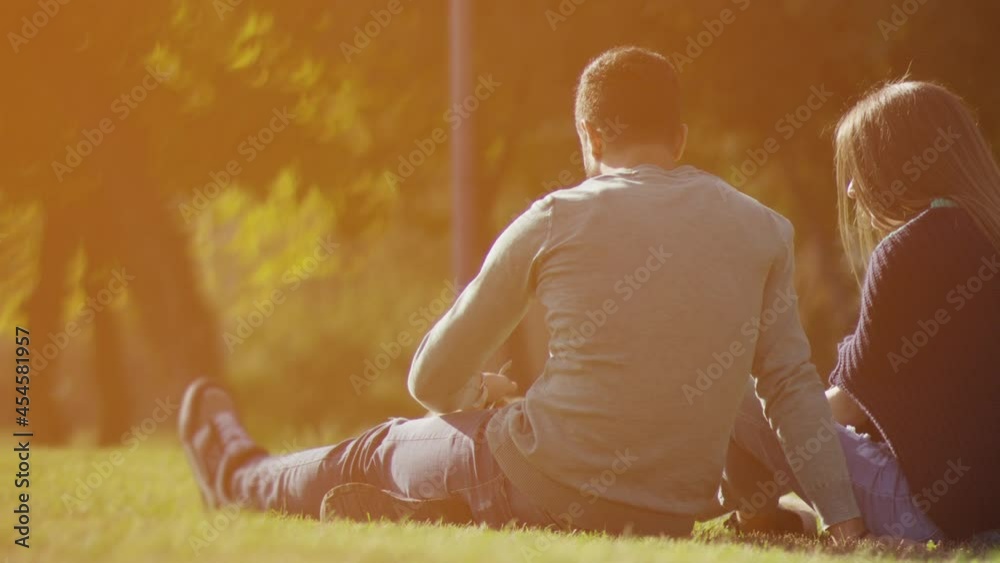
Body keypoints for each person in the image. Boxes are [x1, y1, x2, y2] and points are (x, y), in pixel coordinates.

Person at [179, 46, 868, 540]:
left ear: (591, 137)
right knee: (490, 453)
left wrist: (484, 391)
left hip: (541, 478)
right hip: (667, 513)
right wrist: (845, 521)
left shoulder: (558, 216)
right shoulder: (762, 230)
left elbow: (430, 379)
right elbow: (792, 388)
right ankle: (446, 507)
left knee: (373, 447)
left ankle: (236, 473)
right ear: (681, 138)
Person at [725, 80, 1000, 543]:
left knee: (733, 393)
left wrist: (772, 407)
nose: (852, 190)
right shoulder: (985, 232)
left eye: (861, 169)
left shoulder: (908, 250)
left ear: (899, 166)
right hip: (981, 510)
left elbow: (848, 407)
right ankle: (766, 516)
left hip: (927, 514)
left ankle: (757, 515)